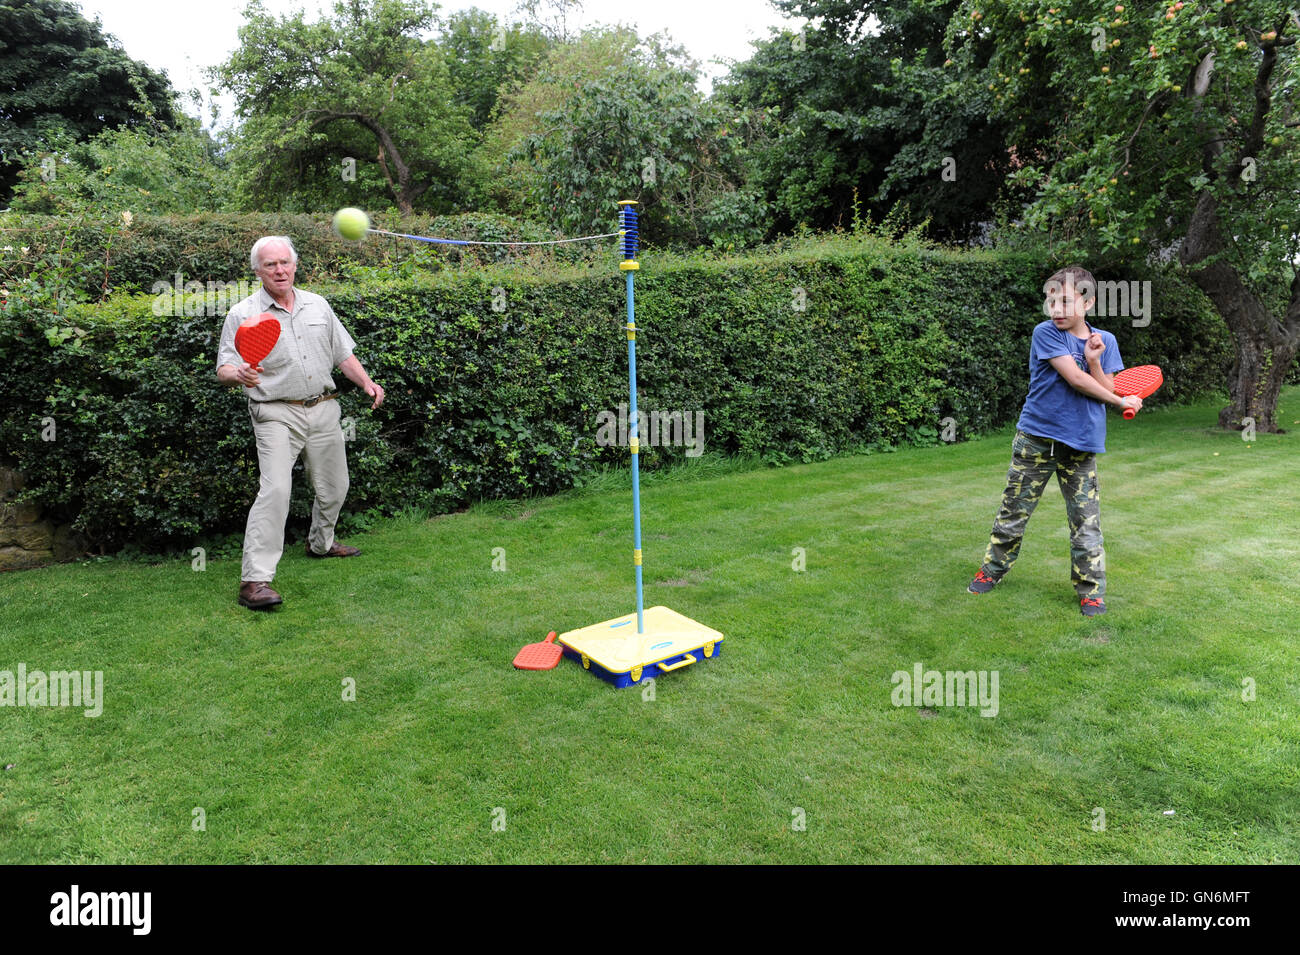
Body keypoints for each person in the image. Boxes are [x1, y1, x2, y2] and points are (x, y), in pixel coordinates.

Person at [215, 235, 385, 610]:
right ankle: (254, 581)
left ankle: (321, 544)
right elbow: (224, 368)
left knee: (335, 486)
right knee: (275, 491)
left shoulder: (317, 305)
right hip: (275, 411)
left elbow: (343, 353)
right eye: (270, 264)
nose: (279, 270)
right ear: (258, 271)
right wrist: (237, 374)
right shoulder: (242, 314)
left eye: (285, 263)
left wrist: (367, 382)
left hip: (324, 408)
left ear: (295, 266)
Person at [968, 265, 1141, 616]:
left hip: (1081, 444)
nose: (1056, 310)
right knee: (1013, 512)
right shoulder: (1045, 333)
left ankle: (1091, 592)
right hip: (1036, 438)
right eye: (1051, 301)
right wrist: (1122, 401)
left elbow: (1104, 387)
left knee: (1085, 522)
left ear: (1088, 302)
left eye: (1065, 301)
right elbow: (1075, 380)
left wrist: (1095, 360)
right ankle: (992, 571)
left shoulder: (1104, 341)